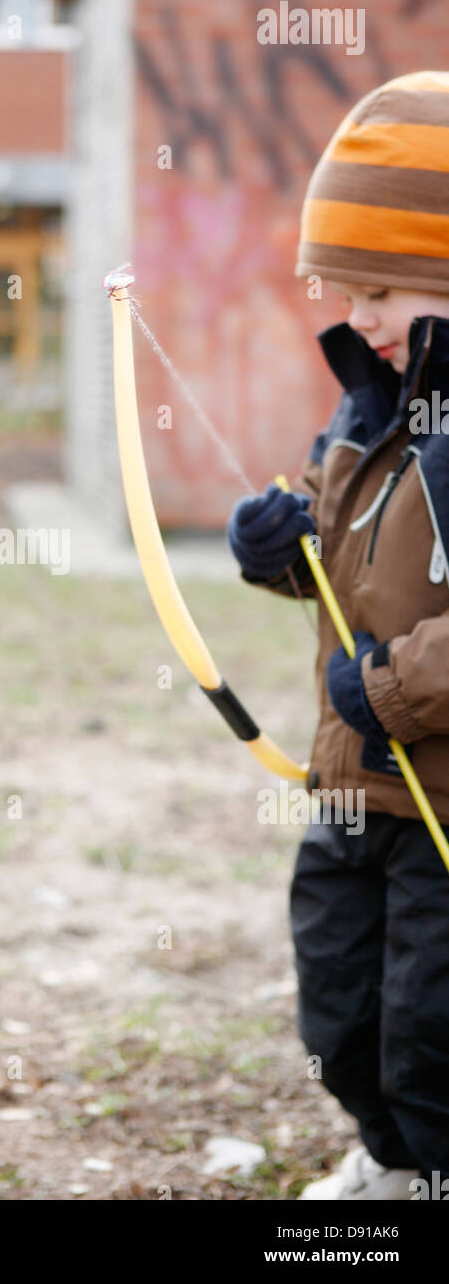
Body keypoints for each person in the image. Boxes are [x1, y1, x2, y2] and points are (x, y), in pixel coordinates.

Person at [227, 71, 449, 1201]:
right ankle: (390, 1153)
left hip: (439, 793)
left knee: (431, 1021)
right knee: (339, 1000)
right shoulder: (369, 409)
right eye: (339, 285)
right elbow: (340, 557)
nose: (351, 315)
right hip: (355, 781)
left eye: (378, 288)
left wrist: (400, 690)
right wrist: (277, 544)